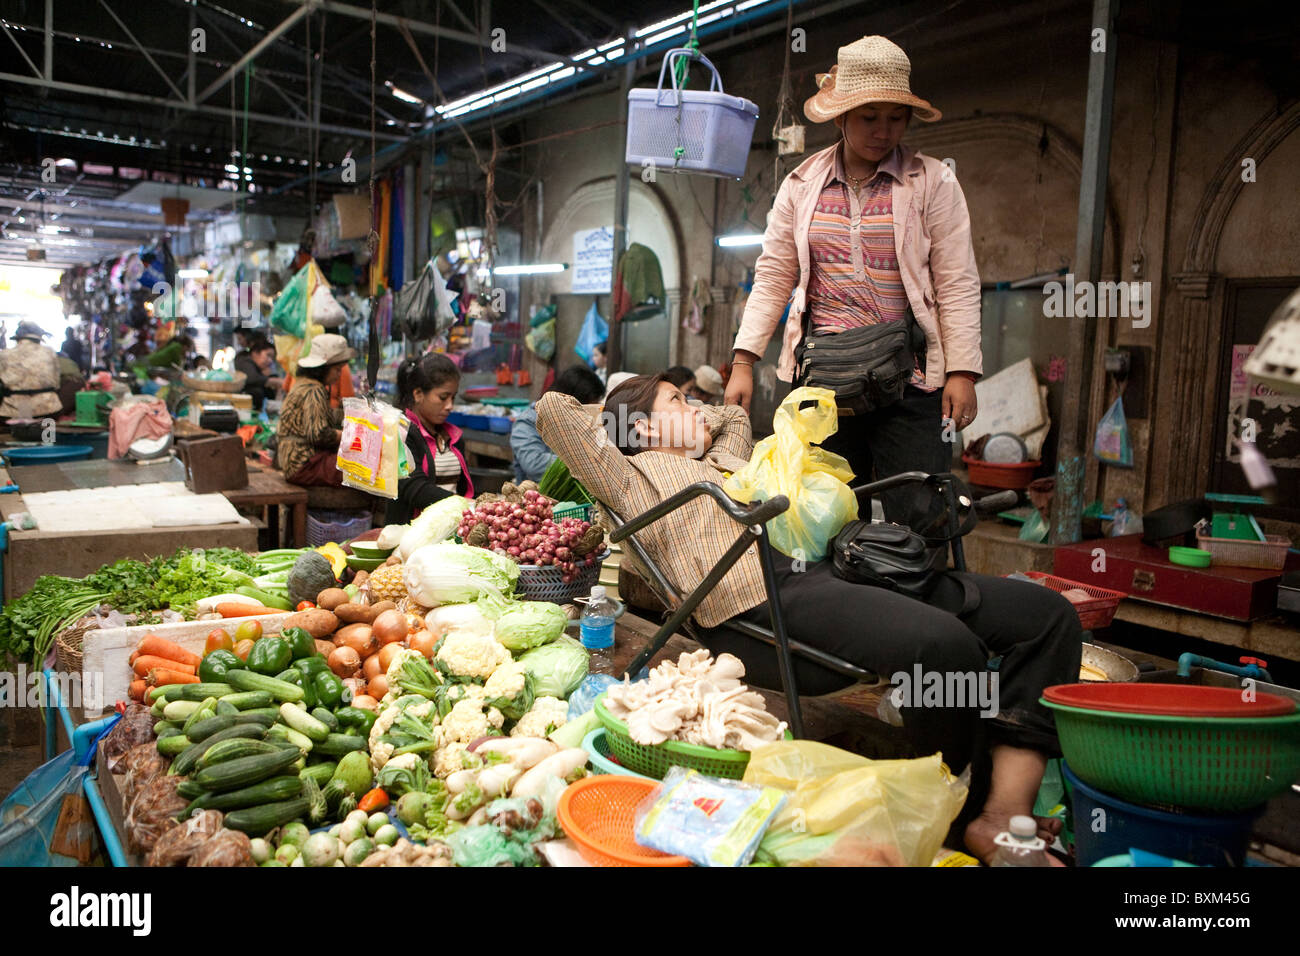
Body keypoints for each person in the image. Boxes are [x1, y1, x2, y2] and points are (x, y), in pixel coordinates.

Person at [535, 373, 1081, 865]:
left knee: (1046, 616)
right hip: (761, 605)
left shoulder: (726, 459)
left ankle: (1007, 812)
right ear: (641, 428)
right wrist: (619, 416)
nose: (697, 406)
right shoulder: (630, 477)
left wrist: (688, 413)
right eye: (678, 400)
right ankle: (961, 817)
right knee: (945, 647)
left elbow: (733, 415)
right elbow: (555, 412)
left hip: (838, 568)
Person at [725, 36, 982, 530]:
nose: (884, 130)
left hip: (913, 383)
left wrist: (963, 372)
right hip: (824, 383)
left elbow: (957, 282)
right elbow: (776, 272)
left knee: (922, 512)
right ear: (841, 117)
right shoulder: (801, 186)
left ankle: (923, 601)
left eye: (895, 117)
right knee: (828, 515)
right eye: (869, 116)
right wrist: (743, 361)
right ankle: (844, 606)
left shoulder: (933, 182)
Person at [385, 352, 473, 524]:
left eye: (453, 397)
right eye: (443, 397)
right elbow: (415, 488)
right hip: (411, 533)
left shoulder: (452, 437)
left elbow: (461, 486)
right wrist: (465, 504)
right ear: (418, 394)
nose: (450, 406)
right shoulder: (400, 433)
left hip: (450, 529)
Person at [276, 334, 354, 487]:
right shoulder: (314, 390)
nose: (339, 375)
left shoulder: (302, 384)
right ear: (323, 369)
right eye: (337, 370)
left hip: (290, 461)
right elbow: (318, 434)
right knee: (360, 470)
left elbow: (327, 415)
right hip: (302, 463)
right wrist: (348, 436)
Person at [510, 365, 606, 483]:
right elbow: (534, 465)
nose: (589, 414)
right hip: (536, 499)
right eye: (586, 408)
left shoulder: (578, 424)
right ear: (570, 401)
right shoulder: (528, 421)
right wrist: (586, 459)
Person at [0, 321, 62, 421]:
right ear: (38, 338)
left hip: (14, 409)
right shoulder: (49, 352)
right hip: (48, 408)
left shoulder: (4, 354)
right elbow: (57, 383)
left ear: (18, 338)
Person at [234, 335, 284, 411]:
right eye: (268, 355)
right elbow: (252, 378)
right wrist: (276, 381)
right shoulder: (243, 359)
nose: (270, 361)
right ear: (255, 353)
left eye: (272, 358)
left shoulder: (262, 370)